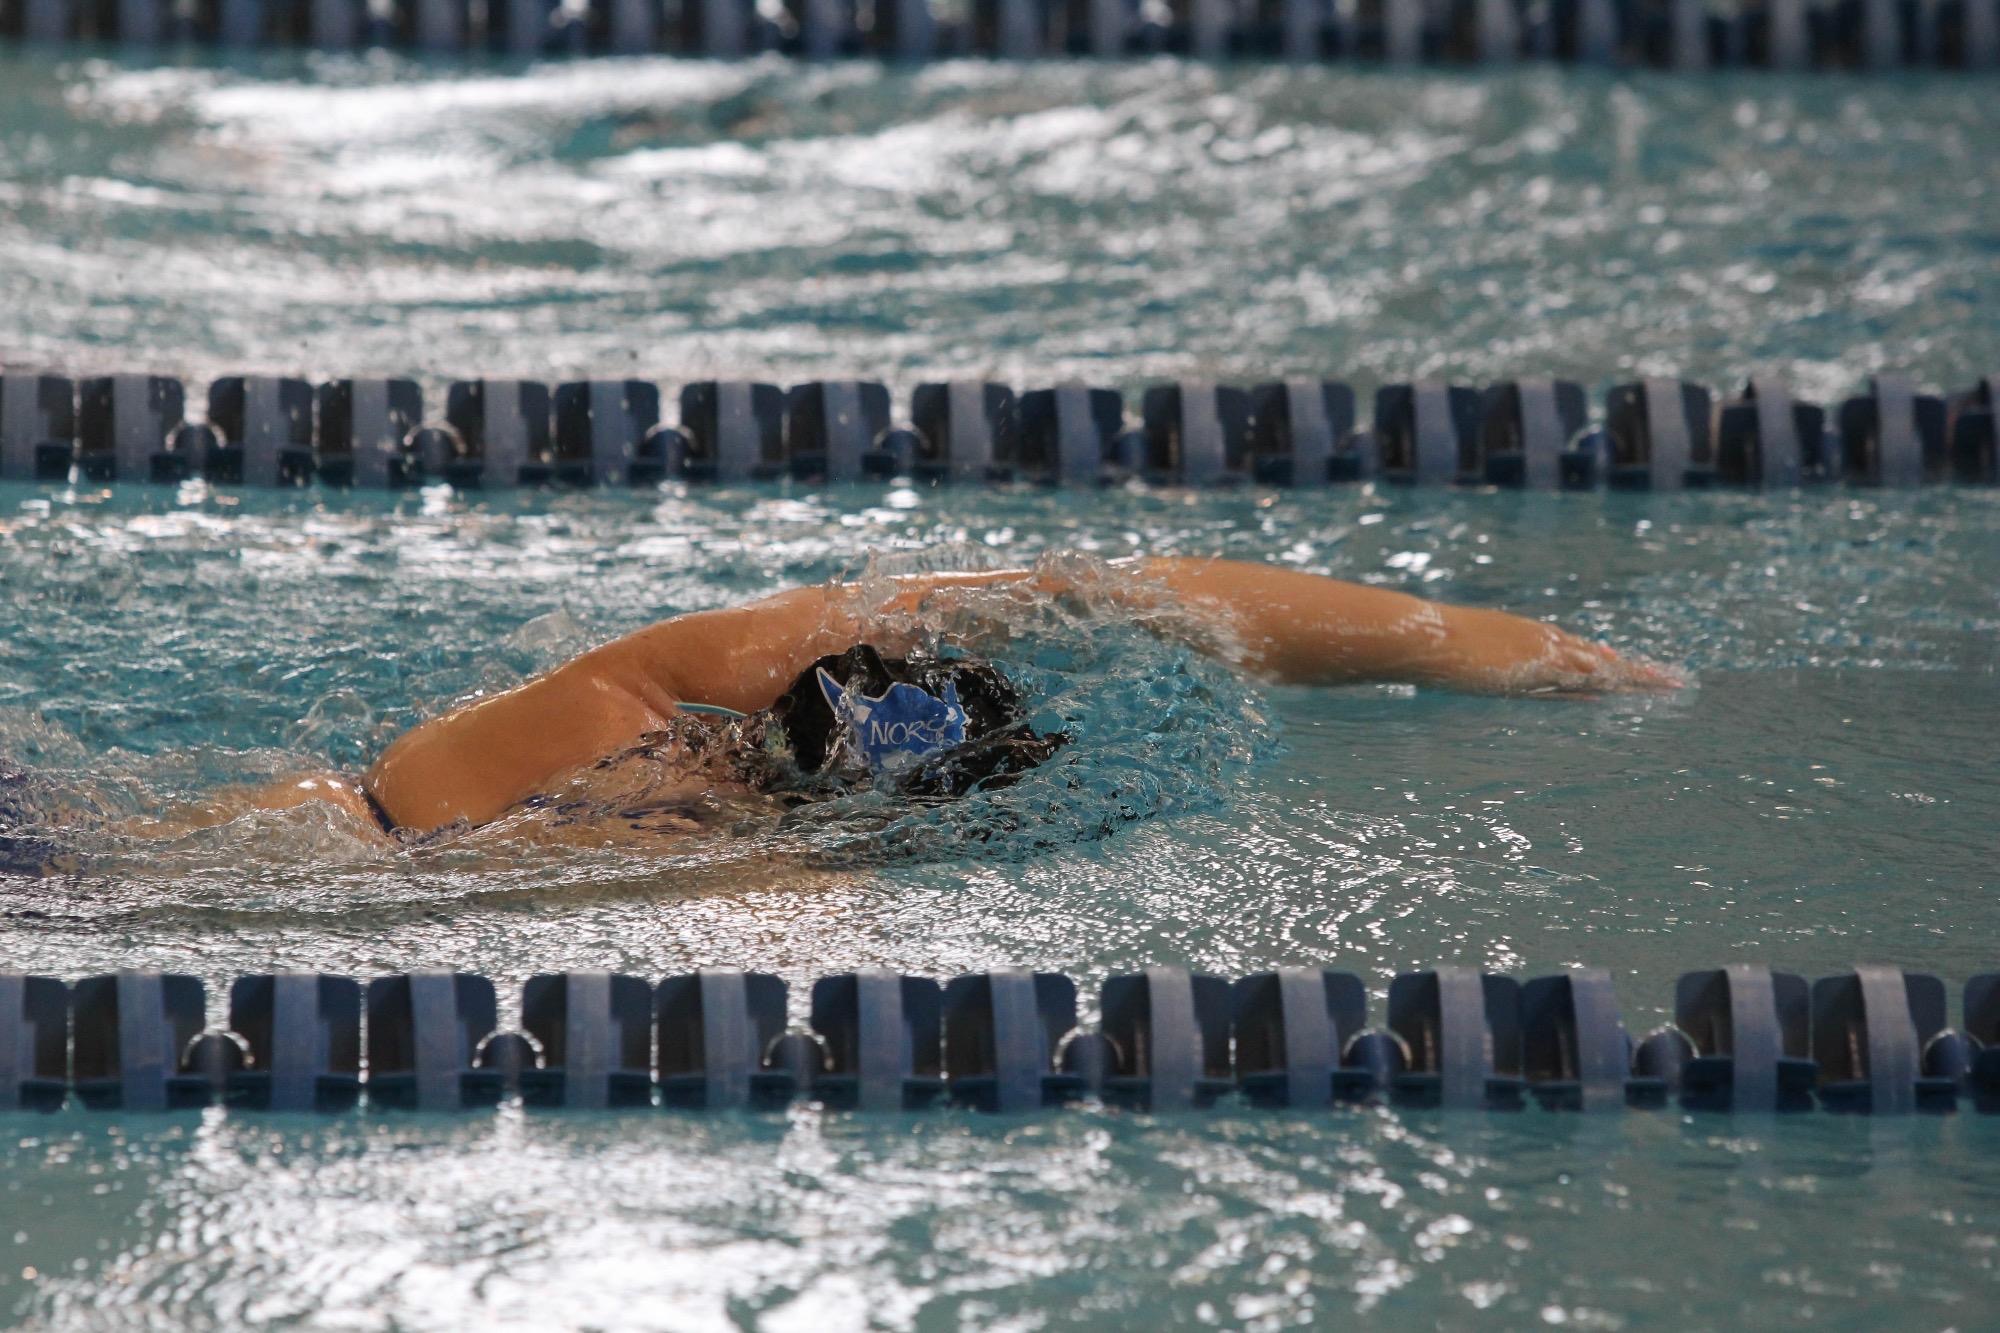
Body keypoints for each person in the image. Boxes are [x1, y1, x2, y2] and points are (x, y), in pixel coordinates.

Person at [144, 554, 1672, 850]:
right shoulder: (705, 702)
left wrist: (1479, 638)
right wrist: (1487, 639)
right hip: (252, 852)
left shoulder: (687, 696)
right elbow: (1153, 594)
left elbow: (1156, 595)